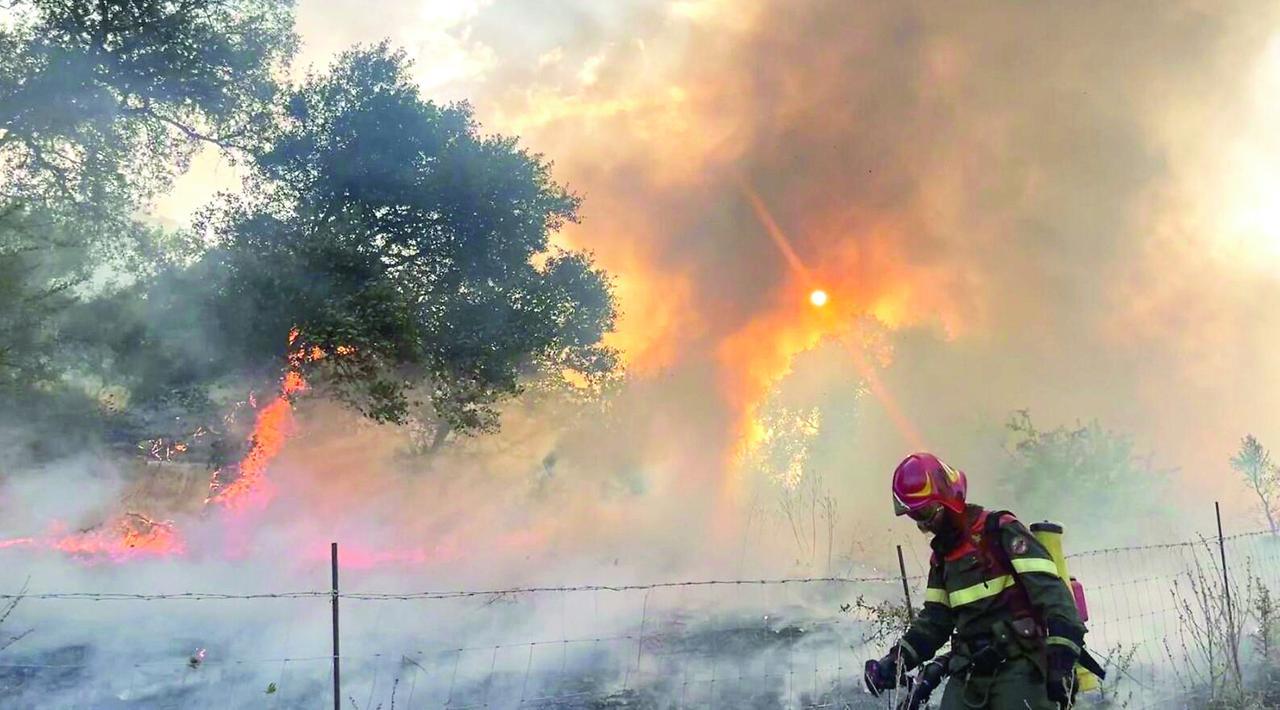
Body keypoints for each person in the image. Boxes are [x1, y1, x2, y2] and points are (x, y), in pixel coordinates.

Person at [863, 453, 1090, 709]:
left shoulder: (1000, 530)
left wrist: (1061, 658)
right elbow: (934, 622)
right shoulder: (942, 558)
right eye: (915, 516)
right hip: (969, 669)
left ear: (948, 499)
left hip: (1019, 665)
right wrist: (894, 662)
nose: (923, 525)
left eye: (926, 512)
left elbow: (1052, 593)